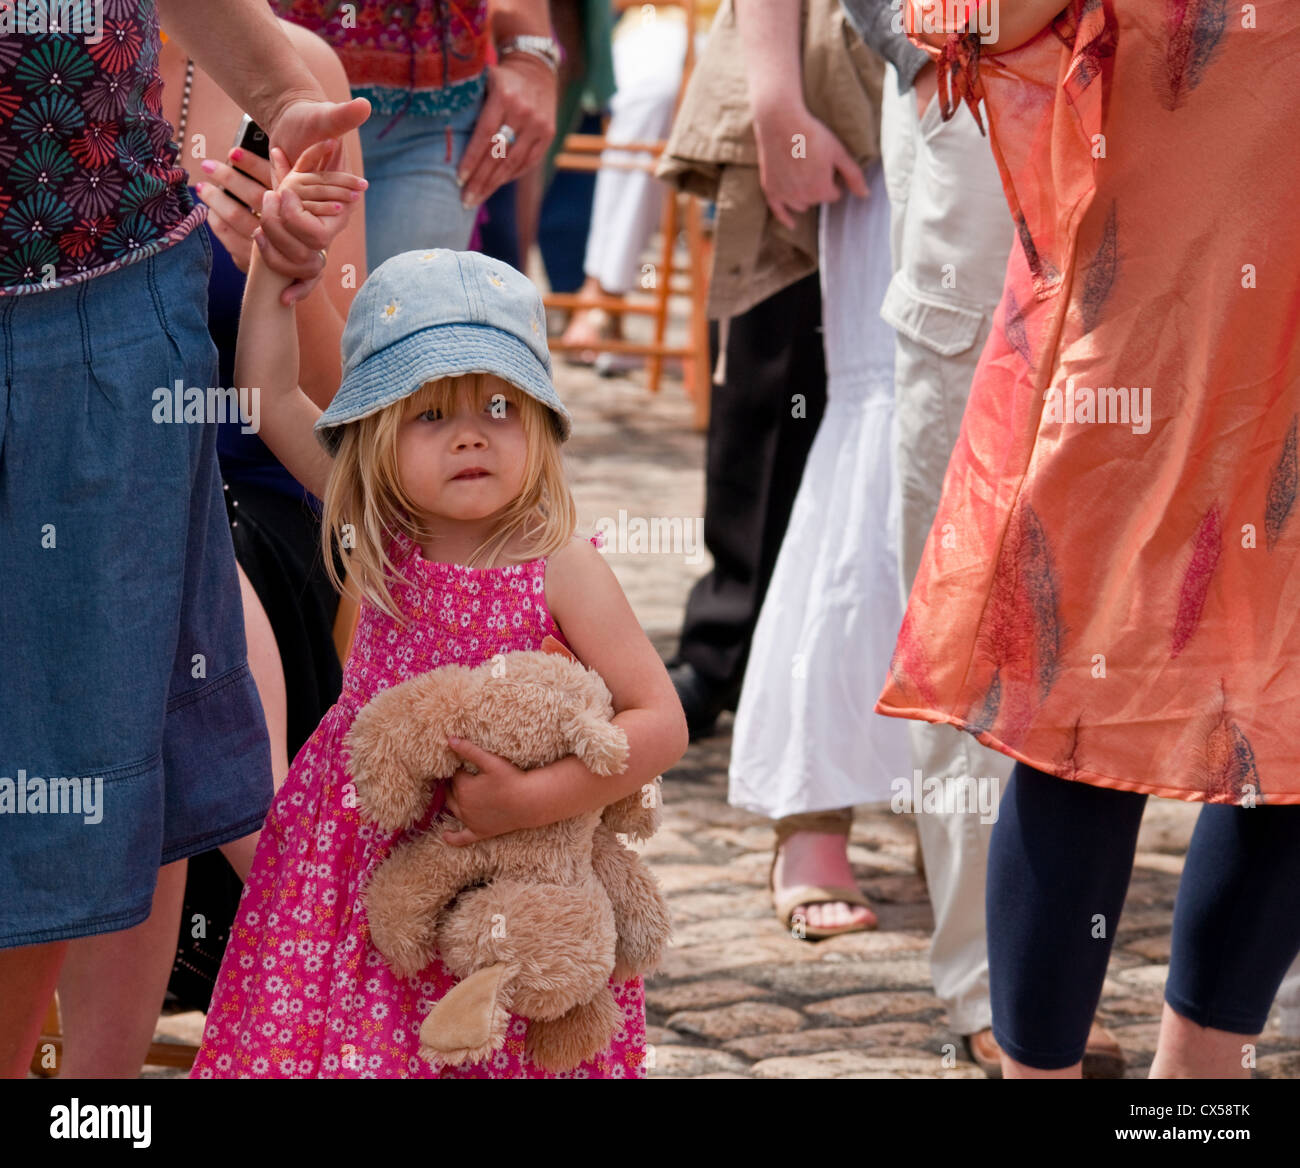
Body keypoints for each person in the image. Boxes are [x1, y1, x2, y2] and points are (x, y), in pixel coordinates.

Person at [190, 163, 688, 1076]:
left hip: (515, 867)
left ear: (538, 422)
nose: (470, 434)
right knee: (346, 1032)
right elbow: (265, 393)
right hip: (360, 853)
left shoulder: (562, 565)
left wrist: (539, 798)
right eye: (430, 413)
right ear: (377, 433)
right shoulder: (379, 530)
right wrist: (274, 267)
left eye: (498, 407)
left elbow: (660, 722)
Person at [878, 0, 1300, 1078]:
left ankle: (1198, 1088)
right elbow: (965, 20)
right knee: (1080, 711)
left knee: (1292, 723)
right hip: (1139, 322)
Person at [0, 0, 370, 1081]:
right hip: (182, 453)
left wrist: (280, 254)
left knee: (93, 771)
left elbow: (322, 398)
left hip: (196, 442)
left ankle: (101, 1084)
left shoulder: (286, 73)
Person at [842, 0, 1123, 1076]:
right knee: (970, 565)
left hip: (1188, 107)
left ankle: (1177, 989)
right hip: (981, 79)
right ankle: (991, 981)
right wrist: (923, 43)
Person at [724, 0, 909, 941]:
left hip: (1050, 93)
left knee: (1006, 468)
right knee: (883, 429)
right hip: (896, 81)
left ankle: (956, 791)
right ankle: (814, 808)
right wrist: (775, 96)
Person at [271, 0, 561, 267]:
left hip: (431, 117)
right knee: (269, 302)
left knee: (401, 312)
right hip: (272, 86)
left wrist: (529, 54)